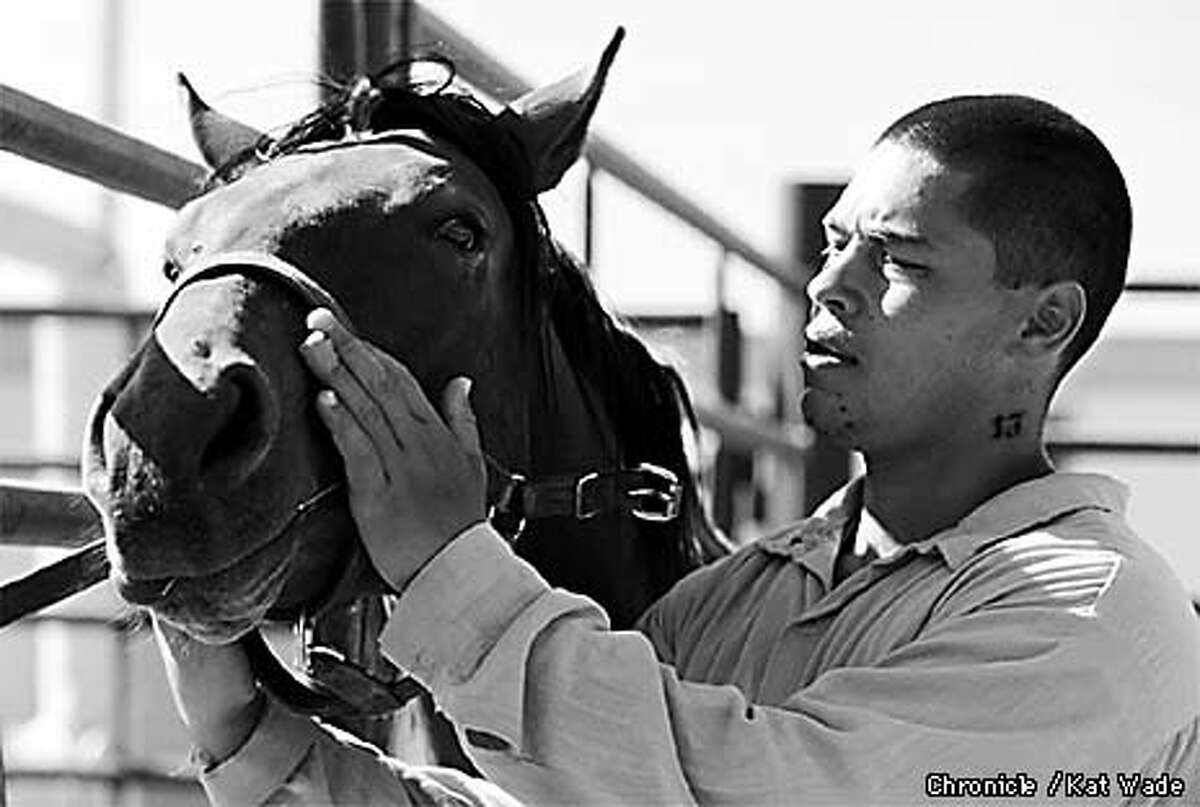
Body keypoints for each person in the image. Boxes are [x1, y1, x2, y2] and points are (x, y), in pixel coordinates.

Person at [154, 94, 1200, 805]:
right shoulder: (726, 602)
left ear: (1042, 322)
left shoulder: (1097, 619)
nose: (826, 285)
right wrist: (248, 728)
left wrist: (447, 568)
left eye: (898, 260)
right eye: (834, 242)